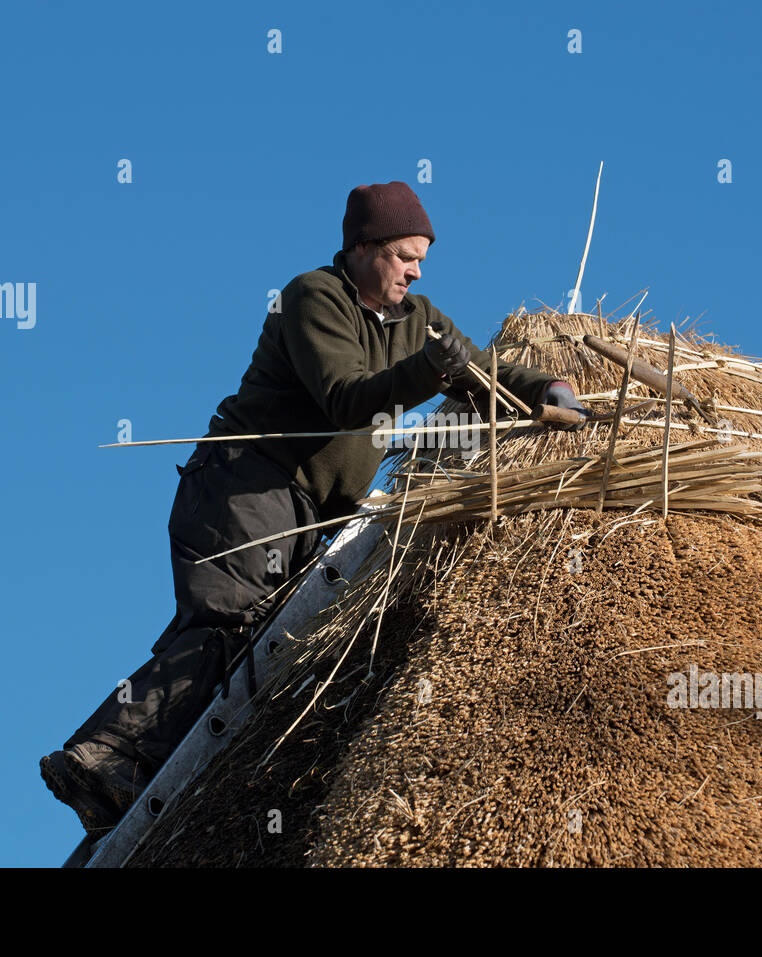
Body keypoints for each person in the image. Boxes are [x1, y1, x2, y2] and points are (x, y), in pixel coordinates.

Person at [39, 181, 587, 835]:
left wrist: (547, 386)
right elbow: (345, 397)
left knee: (263, 649)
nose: (415, 271)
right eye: (405, 256)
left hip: (312, 511)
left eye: (422, 260)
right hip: (245, 487)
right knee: (232, 627)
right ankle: (100, 759)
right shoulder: (312, 298)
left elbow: (479, 368)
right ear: (362, 248)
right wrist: (432, 372)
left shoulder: (419, 317)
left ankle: (140, 788)